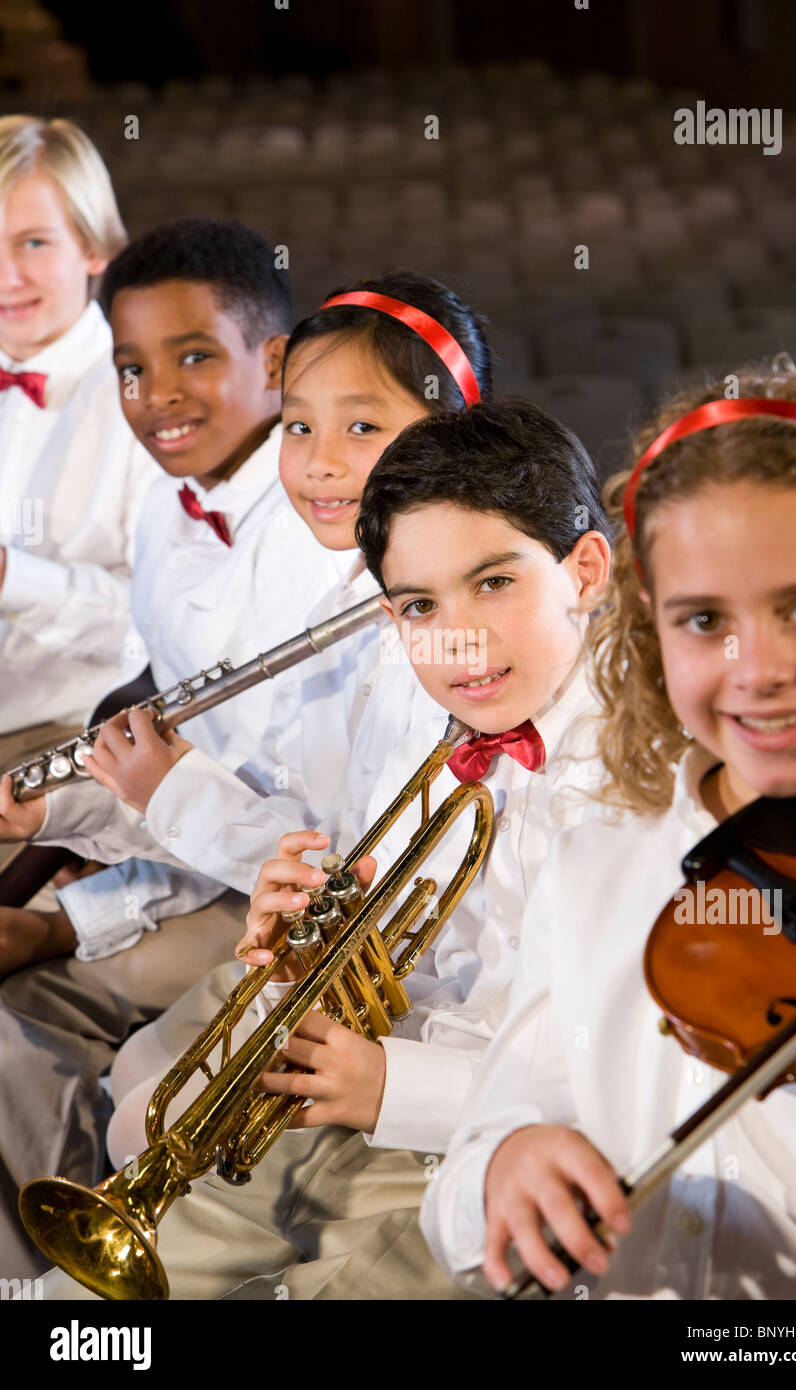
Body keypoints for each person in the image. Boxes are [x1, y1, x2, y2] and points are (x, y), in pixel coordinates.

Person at [39, 396, 611, 1300]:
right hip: (359, 1099)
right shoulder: (424, 715)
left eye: (494, 583)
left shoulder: (642, 781)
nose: (458, 638)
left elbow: (614, 1070)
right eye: (420, 604)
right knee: (74, 1308)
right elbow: (388, 939)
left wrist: (393, 1085)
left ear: (584, 570)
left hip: (490, 1154)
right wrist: (300, 956)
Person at [0, 269, 490, 1280]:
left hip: (420, 1011)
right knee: (142, 1109)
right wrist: (76, 805)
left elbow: (363, 865)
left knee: (149, 1110)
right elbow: (288, 819)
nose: (314, 465)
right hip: (311, 940)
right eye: (299, 429)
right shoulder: (354, 600)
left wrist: (167, 805)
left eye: (361, 430)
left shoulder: (435, 630)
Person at [421, 361, 796, 1300]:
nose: (758, 670)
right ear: (650, 632)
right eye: (705, 620)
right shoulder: (595, 868)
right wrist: (508, 1162)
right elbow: (475, 1158)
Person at [0, 217, 346, 1279]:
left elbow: (314, 846)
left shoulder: (329, 537)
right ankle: (45, 1283)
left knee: (139, 1095)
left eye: (194, 356)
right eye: (132, 368)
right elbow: (174, 785)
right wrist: (56, 812)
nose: (157, 397)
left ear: (275, 362)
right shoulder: (164, 519)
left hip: (296, 912)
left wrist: (73, 917)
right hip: (203, 873)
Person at [0, 115, 156, 767]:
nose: (6, 276)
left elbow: (158, 627)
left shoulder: (149, 398)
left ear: (93, 247)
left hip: (70, 744)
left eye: (33, 243)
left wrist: (13, 578)